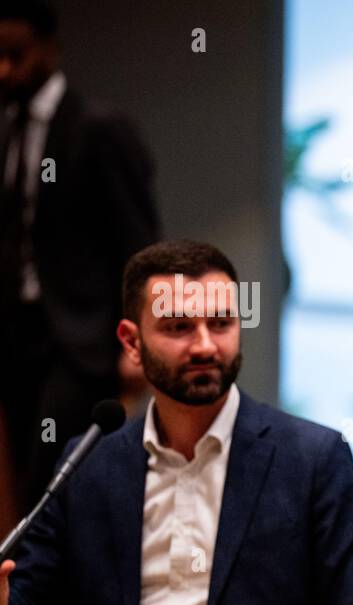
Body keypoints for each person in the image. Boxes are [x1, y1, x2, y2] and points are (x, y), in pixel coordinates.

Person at [0, 239, 353, 605]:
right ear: (132, 343)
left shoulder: (312, 461)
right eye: (179, 328)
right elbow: (30, 604)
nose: (205, 344)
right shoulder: (90, 462)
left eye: (221, 323)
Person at [0, 0, 160, 511]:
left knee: (53, 478)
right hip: (15, 334)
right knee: (25, 468)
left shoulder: (99, 127)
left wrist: (137, 341)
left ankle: (30, 587)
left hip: (80, 339)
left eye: (16, 54)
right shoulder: (6, 130)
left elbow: (140, 244)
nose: (4, 69)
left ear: (49, 48)